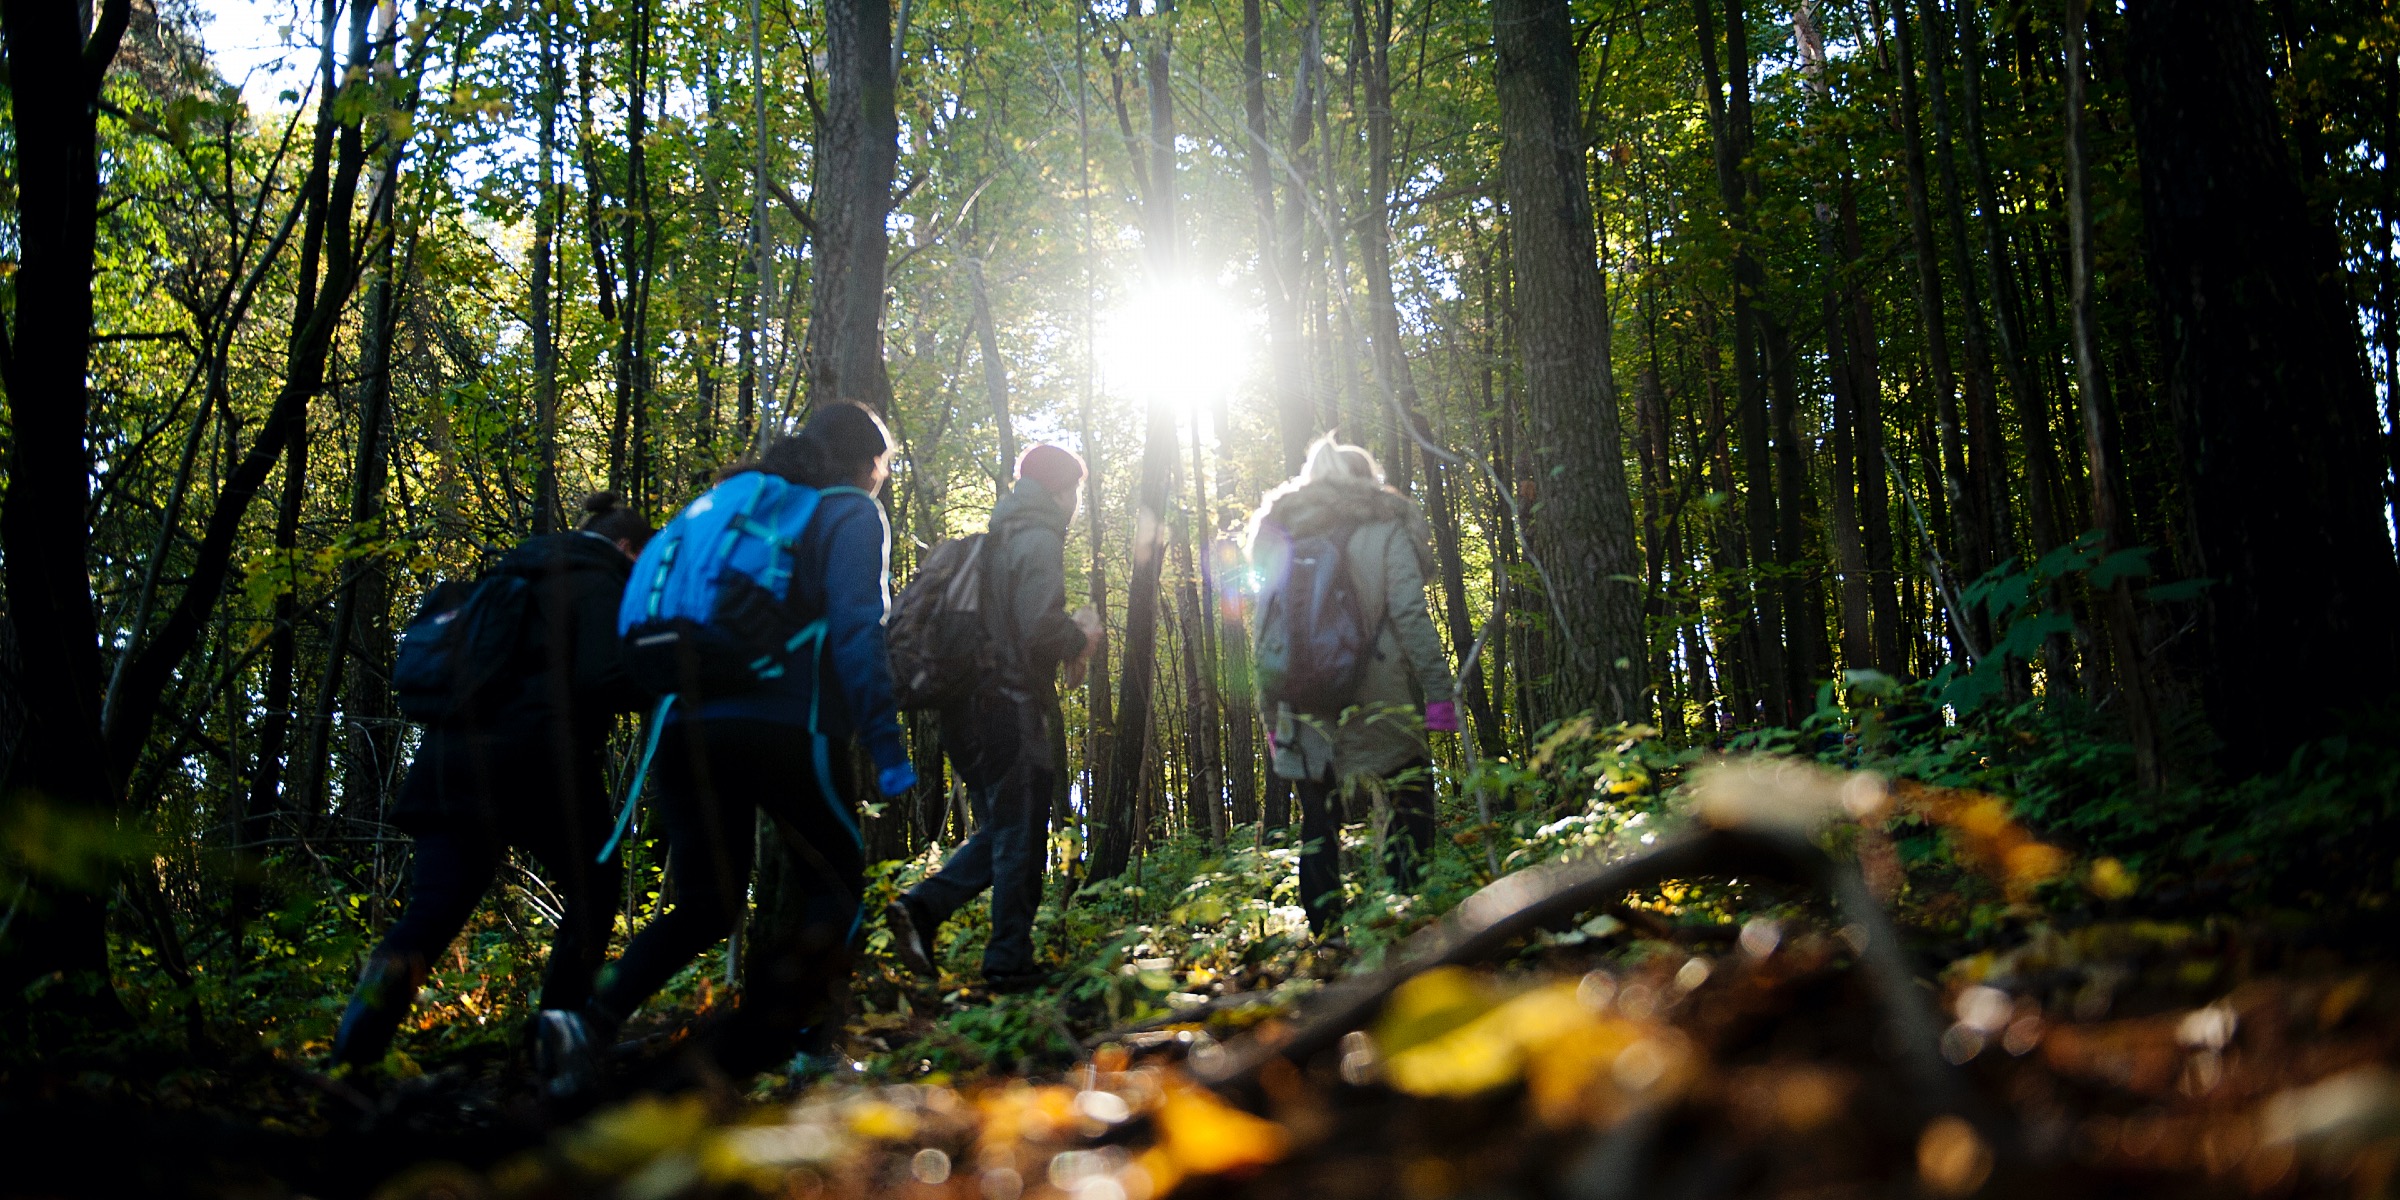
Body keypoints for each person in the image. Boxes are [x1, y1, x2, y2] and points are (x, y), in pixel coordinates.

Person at [566, 401, 918, 1077]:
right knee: (838, 886)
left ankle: (585, 1021)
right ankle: (805, 1051)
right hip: (788, 725)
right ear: (867, 463)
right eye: (883, 467)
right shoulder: (847, 511)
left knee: (705, 903)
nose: (880, 481)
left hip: (682, 726)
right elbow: (856, 630)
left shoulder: (730, 510)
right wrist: (886, 747)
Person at [332, 492, 653, 1079]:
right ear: (628, 548)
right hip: (540, 764)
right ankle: (557, 1045)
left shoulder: (511, 571)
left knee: (427, 918)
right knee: (595, 890)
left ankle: (352, 1054)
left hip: (450, 760)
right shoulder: (599, 576)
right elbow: (603, 676)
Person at [886, 444, 1101, 993]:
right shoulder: (1038, 535)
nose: (1076, 502)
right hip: (1005, 704)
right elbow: (1037, 626)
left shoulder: (1001, 536)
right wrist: (1081, 636)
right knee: (1020, 831)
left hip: (967, 708)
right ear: (1061, 491)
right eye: (1075, 490)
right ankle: (1005, 958)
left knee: (1007, 829)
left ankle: (929, 913)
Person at [1246, 436, 1459, 935]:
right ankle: (1406, 920)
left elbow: (1264, 635)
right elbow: (1410, 615)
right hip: (1379, 696)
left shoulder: (1284, 534)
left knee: (1318, 823)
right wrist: (1439, 698)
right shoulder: (1386, 528)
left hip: (1301, 704)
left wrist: (1270, 715)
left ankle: (1327, 939)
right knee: (1409, 800)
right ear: (1367, 481)